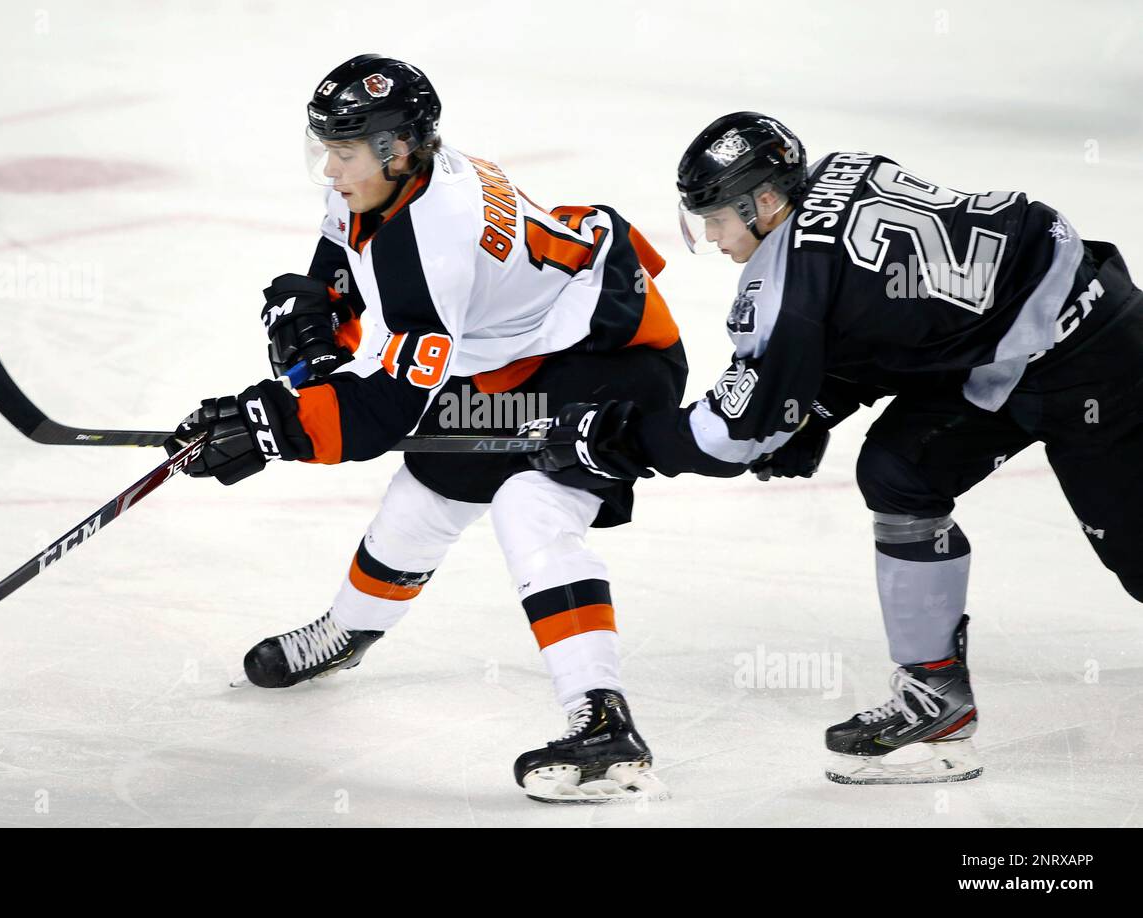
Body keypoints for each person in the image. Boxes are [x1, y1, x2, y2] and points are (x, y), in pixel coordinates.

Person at [529, 111, 1143, 784]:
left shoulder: (786, 287)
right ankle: (936, 698)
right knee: (899, 471)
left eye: (717, 218)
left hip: (1091, 356)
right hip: (1017, 340)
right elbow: (897, 318)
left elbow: (729, 435)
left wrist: (607, 439)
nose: (711, 235)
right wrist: (817, 408)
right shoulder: (841, 169)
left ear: (765, 201)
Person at [166, 54, 687, 802]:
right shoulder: (384, 182)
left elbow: (387, 410)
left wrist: (273, 424)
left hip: (610, 363)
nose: (330, 171)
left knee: (530, 506)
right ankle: (347, 633)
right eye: (326, 150)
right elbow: (342, 270)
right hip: (519, 358)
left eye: (342, 153)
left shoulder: (431, 239)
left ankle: (604, 724)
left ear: (396, 149)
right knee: (430, 490)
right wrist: (316, 327)